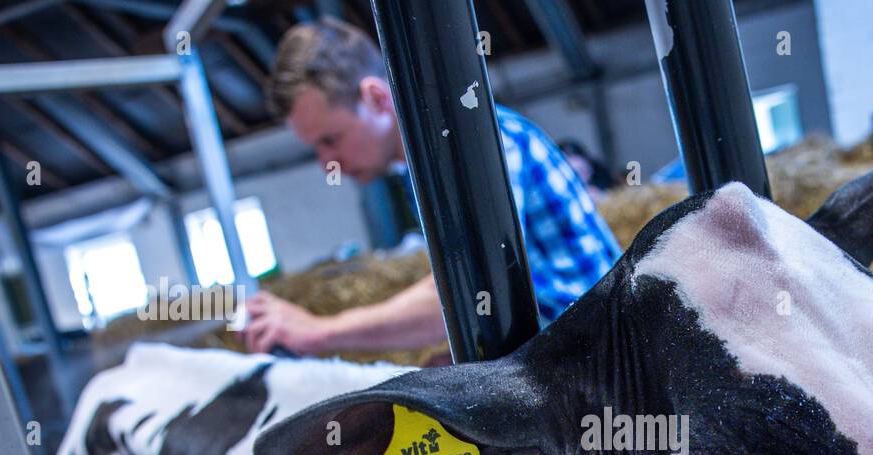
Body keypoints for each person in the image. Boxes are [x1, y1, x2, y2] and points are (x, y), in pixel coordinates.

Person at [243, 18, 621, 360]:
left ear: (376, 99)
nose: (328, 163)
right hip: (559, 351)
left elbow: (471, 296)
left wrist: (318, 330)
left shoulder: (472, 146)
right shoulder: (422, 172)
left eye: (331, 139)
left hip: (604, 355)